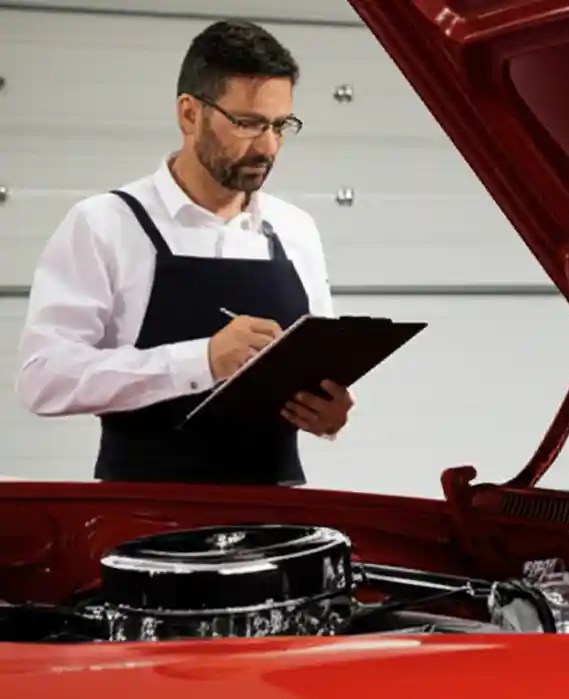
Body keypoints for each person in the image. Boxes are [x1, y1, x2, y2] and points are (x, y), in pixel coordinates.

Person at [13, 19, 353, 486]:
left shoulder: (296, 230)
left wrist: (328, 412)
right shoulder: (105, 224)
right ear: (190, 114)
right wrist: (203, 360)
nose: (269, 146)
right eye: (248, 124)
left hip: (279, 519)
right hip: (147, 525)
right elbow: (43, 379)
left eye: (280, 125)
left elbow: (315, 367)